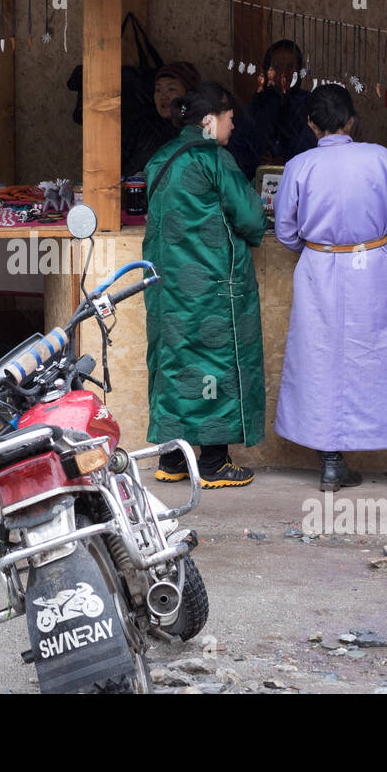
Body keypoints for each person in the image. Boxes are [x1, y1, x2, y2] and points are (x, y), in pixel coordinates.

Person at [272, 83, 387, 493]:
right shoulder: (378, 156)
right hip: (371, 263)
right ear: (351, 120)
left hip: (319, 268)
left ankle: (331, 466)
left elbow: (286, 232)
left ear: (310, 124)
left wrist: (321, 245)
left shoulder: (298, 165)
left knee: (321, 364)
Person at [142, 82, 266, 489]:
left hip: (166, 287)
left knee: (174, 361)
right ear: (210, 121)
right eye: (230, 120)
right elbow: (251, 221)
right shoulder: (216, 159)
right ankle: (214, 463)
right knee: (216, 364)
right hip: (213, 285)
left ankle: (173, 459)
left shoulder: (160, 159)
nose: (232, 128)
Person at [228, 40, 318, 182]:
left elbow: (317, 147)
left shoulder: (311, 105)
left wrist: (287, 161)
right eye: (277, 67)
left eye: (290, 67)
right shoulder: (256, 106)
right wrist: (259, 162)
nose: (284, 73)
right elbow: (237, 148)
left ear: (300, 70)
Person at [122, 62, 202, 176]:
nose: (163, 96)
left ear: (189, 94)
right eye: (158, 90)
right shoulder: (142, 125)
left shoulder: (201, 128)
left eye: (171, 89)